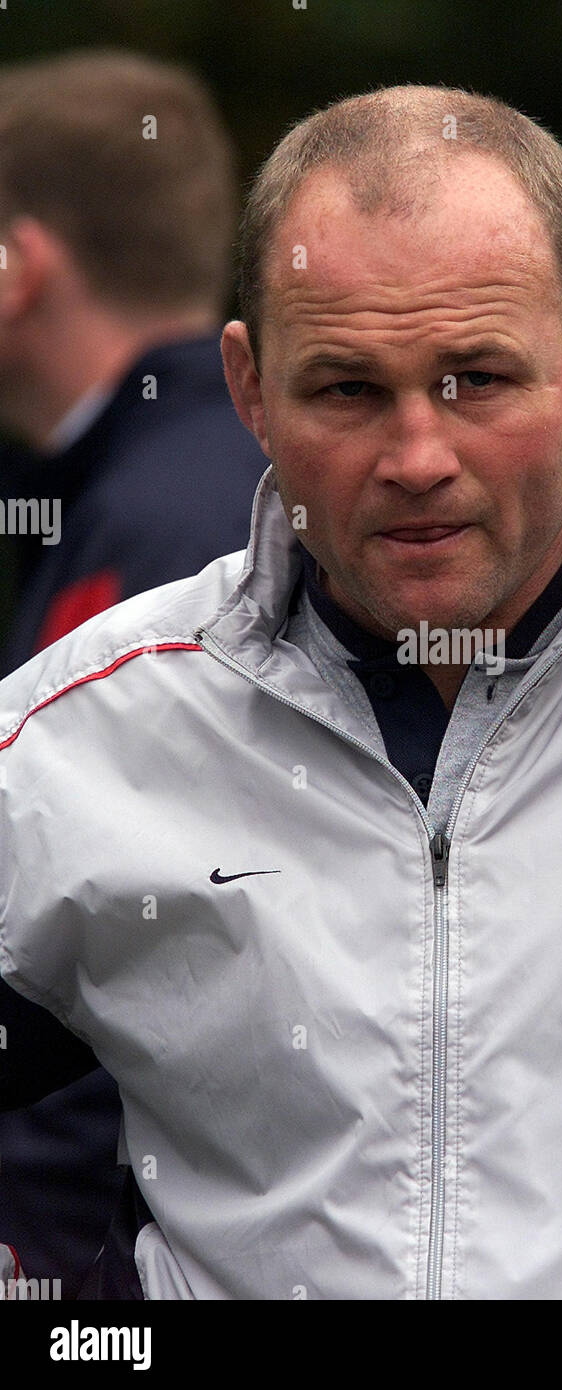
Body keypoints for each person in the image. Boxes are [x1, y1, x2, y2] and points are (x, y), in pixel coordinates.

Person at [1, 82, 562, 1300]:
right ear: (249, 387)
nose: (418, 457)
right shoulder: (81, 731)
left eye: (475, 377)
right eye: (347, 390)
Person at [0, 49, 267, 1297]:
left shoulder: (154, 531)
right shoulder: (187, 483)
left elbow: (125, 921)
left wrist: (37, 1263)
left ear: (24, 267)